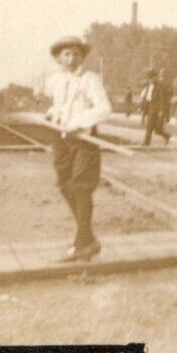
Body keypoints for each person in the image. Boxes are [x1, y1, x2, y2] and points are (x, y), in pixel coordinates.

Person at [43, 36, 112, 262]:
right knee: (65, 185)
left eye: (76, 54)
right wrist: (53, 114)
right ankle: (89, 239)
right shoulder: (55, 80)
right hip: (61, 138)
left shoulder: (90, 79)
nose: (71, 59)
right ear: (58, 58)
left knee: (81, 187)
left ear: (82, 57)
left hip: (83, 139)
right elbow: (59, 105)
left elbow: (103, 109)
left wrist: (77, 123)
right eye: (66, 54)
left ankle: (81, 244)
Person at [140, 67, 172, 146]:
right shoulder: (148, 86)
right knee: (153, 128)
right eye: (150, 78)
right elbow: (147, 97)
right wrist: (143, 108)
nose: (151, 80)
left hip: (157, 109)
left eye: (153, 77)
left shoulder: (159, 86)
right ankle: (148, 142)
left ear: (156, 77)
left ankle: (148, 142)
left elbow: (162, 99)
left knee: (153, 127)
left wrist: (161, 111)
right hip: (150, 107)